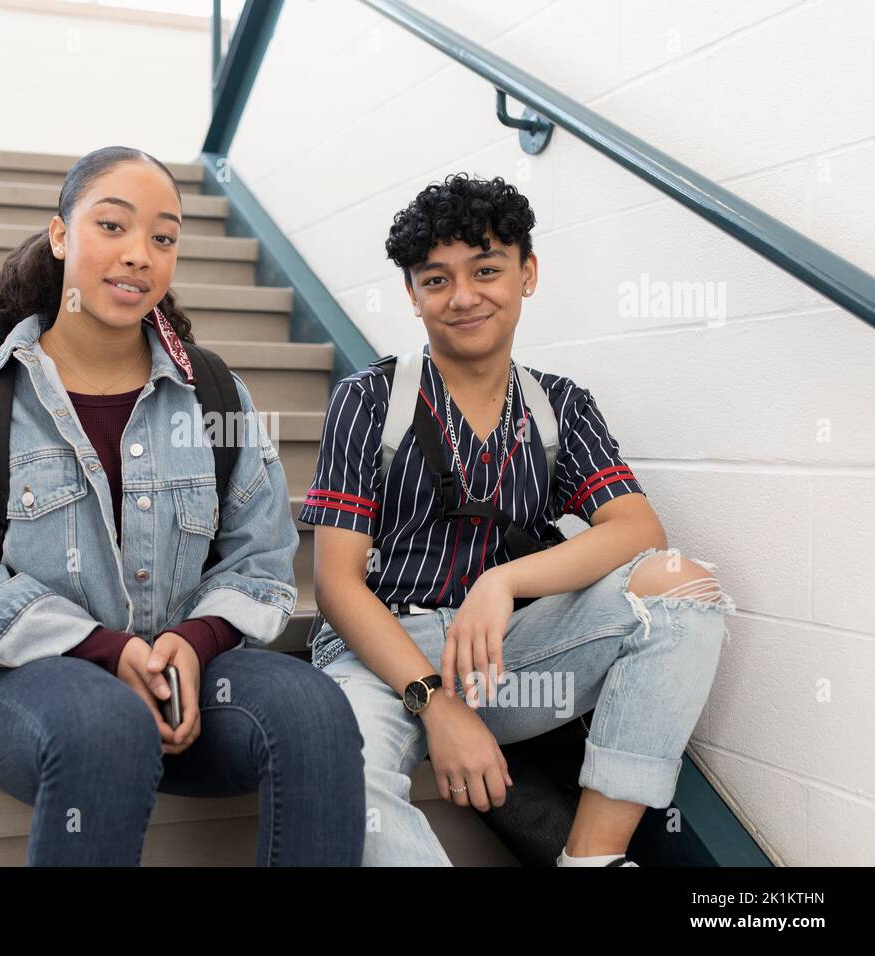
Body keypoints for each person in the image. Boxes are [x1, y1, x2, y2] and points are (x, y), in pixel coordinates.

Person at [0, 145, 365, 866]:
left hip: (193, 690)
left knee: (315, 709)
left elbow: (262, 556)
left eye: (164, 236)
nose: (139, 254)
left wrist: (196, 641)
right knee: (107, 721)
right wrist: (109, 653)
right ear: (61, 235)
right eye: (112, 227)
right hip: (45, 699)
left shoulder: (214, 393)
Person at [302, 173, 735, 867]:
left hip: (506, 652)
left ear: (526, 274)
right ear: (413, 295)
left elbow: (637, 530)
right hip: (382, 655)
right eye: (436, 280)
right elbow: (336, 585)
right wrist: (435, 704)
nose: (464, 296)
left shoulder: (559, 404)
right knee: (336, 775)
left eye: (487, 270)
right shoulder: (369, 399)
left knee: (682, 584)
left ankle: (591, 859)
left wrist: (499, 586)